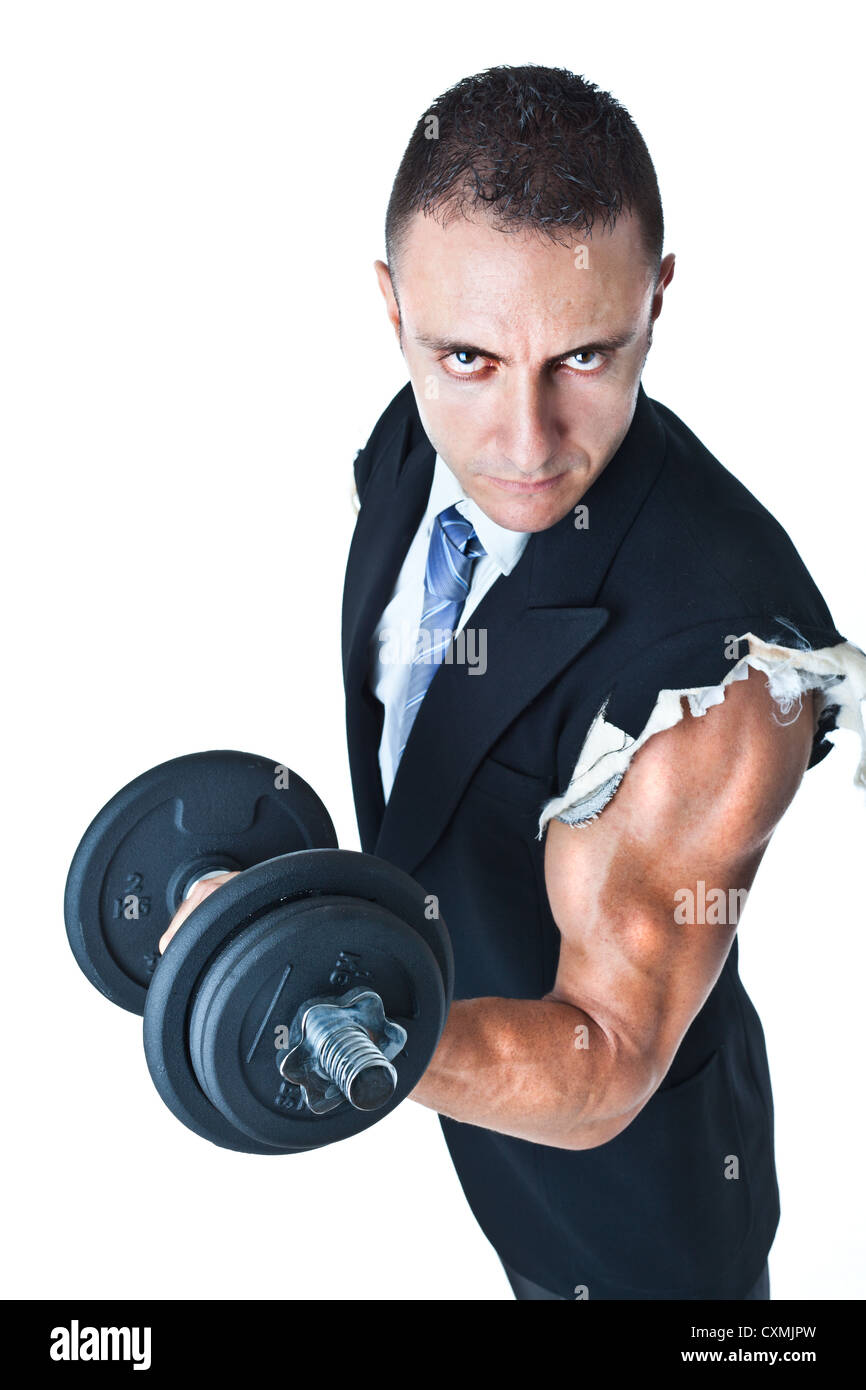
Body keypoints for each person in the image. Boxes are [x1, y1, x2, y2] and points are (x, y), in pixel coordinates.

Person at [164, 64, 866, 1300]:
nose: (526, 443)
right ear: (393, 313)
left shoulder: (714, 682)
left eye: (586, 354)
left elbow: (598, 1060)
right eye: (469, 357)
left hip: (635, 1233)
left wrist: (294, 990)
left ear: (658, 298)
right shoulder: (411, 438)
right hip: (487, 1133)